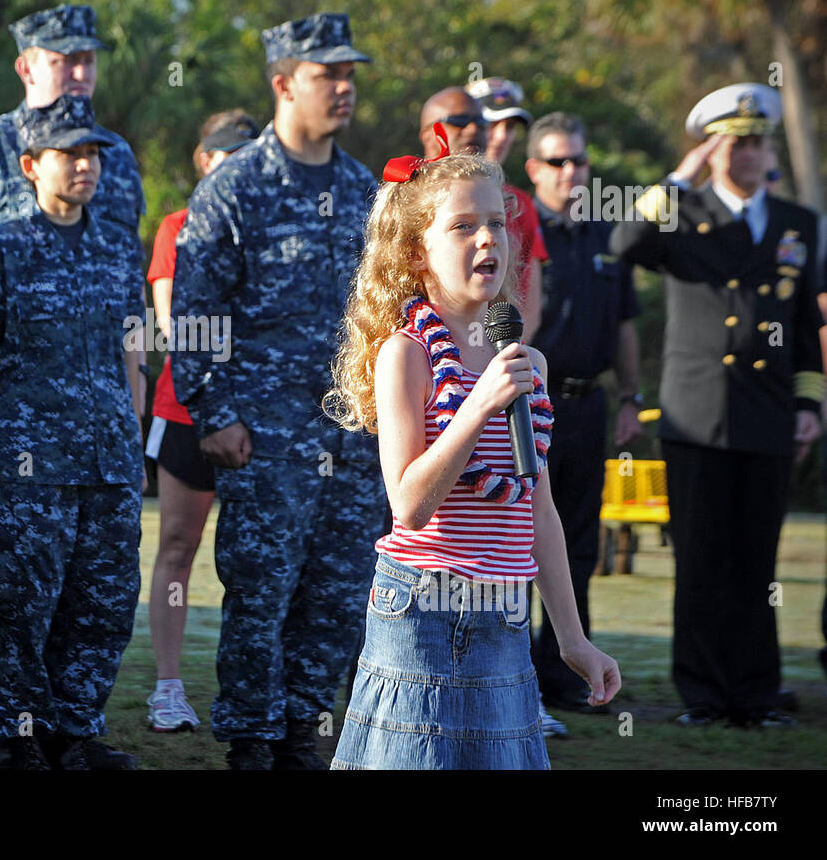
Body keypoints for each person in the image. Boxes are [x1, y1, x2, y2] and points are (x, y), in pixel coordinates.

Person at [324, 137, 621, 769]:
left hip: (504, 616)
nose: (487, 238)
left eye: (496, 223)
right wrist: (477, 406)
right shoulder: (407, 353)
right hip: (421, 612)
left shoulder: (526, 363)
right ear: (416, 251)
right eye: (462, 226)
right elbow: (408, 502)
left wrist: (573, 640)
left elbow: (536, 508)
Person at [171, 13, 386, 770]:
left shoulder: (366, 191)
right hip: (263, 438)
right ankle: (250, 741)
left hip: (352, 442)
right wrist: (214, 412)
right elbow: (195, 314)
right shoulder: (236, 187)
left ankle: (305, 735)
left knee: (336, 599)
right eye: (328, 73)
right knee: (260, 597)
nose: (344, 86)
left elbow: (385, 312)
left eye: (349, 73)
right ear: (283, 83)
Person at [611, 82, 823, 728]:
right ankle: (702, 695)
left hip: (766, 414)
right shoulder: (683, 210)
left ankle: (755, 694)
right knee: (700, 561)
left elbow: (806, 321)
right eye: (735, 141)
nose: (749, 153)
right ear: (713, 146)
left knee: (757, 562)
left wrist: (809, 401)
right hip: (696, 413)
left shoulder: (798, 223)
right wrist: (679, 177)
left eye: (758, 141)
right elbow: (624, 243)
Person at [0, 94, 146, 770]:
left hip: (107, 460)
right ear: (32, 164)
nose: (85, 166)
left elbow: (133, 351)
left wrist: (134, 435)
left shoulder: (119, 245)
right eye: (70, 154)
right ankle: (17, 732)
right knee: (16, 599)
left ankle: (75, 730)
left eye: (92, 154)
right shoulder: (4, 247)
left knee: (103, 598)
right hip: (27, 460)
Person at [523, 112, 641, 725]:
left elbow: (624, 323)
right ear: (534, 168)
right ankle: (519, 676)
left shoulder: (607, 235)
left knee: (580, 543)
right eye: (559, 161)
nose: (573, 172)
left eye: (580, 160)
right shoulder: (517, 231)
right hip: (528, 403)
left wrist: (630, 397)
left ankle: (570, 673)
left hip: (589, 403)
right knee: (523, 537)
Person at [144, 109, 258, 732]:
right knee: (179, 549)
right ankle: (167, 686)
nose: (233, 168)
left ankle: (254, 697)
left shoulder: (268, 226)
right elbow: (173, 327)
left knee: (257, 558)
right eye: (224, 156)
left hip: (261, 415)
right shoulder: (178, 226)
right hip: (186, 410)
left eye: (245, 156)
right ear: (203, 160)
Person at [0, 4, 145, 312]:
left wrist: (137, 358)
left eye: (88, 61)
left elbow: (129, 268)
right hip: (7, 355)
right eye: (65, 61)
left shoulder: (117, 153)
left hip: (105, 356)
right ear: (26, 69)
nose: (82, 74)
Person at [421, 85, 545, 339]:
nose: (474, 130)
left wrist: (507, 354)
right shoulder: (405, 195)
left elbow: (529, 300)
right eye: (459, 121)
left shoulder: (515, 203)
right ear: (427, 133)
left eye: (497, 223)